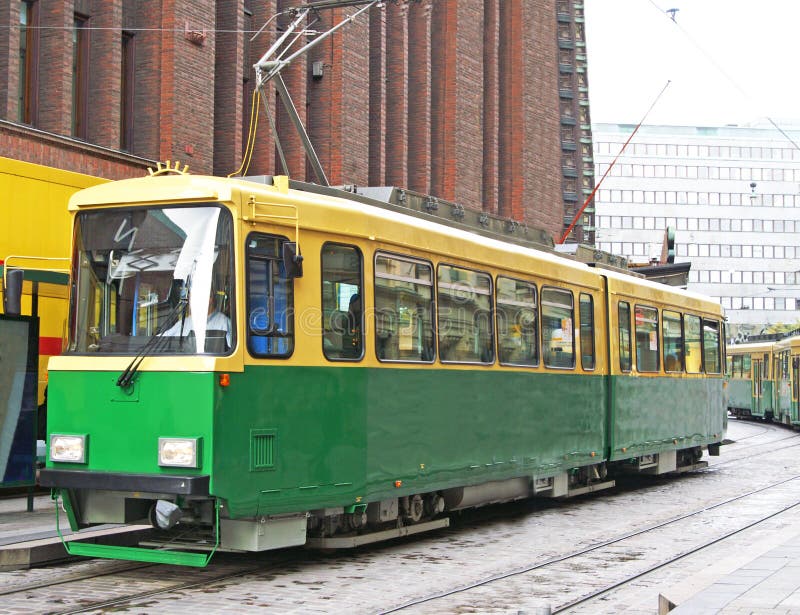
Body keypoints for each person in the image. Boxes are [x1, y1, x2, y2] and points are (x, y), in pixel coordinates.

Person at [165, 290, 231, 349]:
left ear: (209, 299)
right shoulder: (185, 322)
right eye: (190, 298)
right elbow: (162, 340)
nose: (190, 302)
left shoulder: (224, 323)